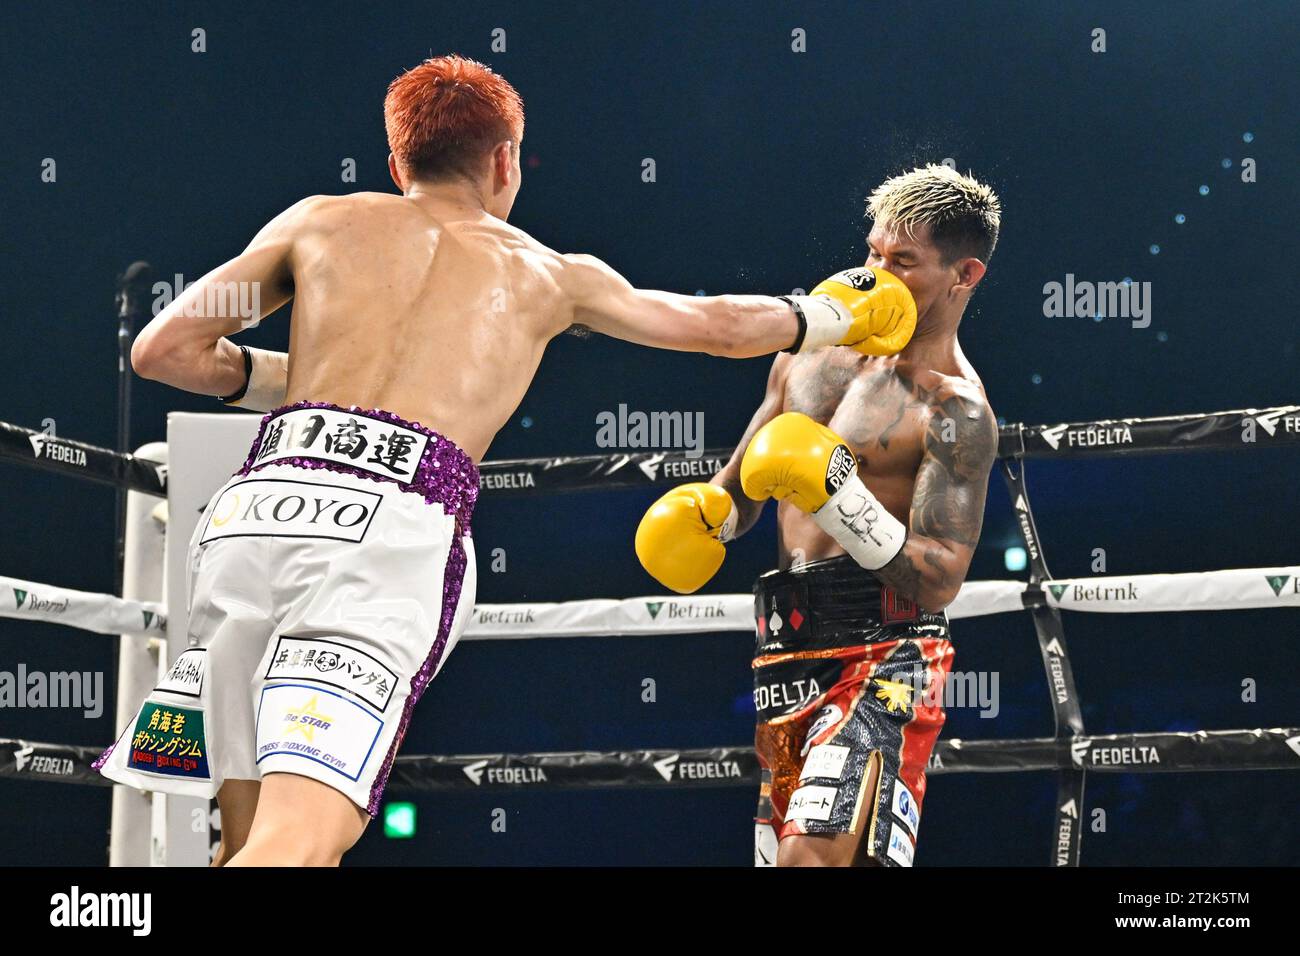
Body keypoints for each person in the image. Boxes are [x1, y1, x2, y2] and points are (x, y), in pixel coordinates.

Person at [93, 55, 918, 866]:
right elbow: (719, 329)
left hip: (254, 515)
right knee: (298, 842)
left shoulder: (316, 221)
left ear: (395, 162)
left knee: (245, 834)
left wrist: (289, 381)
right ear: (504, 160)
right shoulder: (548, 273)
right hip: (383, 531)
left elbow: (167, 348)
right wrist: (832, 316)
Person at [637, 164, 1001, 866]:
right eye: (873, 253)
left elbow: (941, 577)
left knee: (813, 860)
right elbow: (742, 487)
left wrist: (841, 497)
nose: (879, 274)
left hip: (887, 650)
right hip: (783, 649)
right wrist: (706, 513)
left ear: (965, 275)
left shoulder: (955, 407)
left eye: (904, 262)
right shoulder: (805, 360)